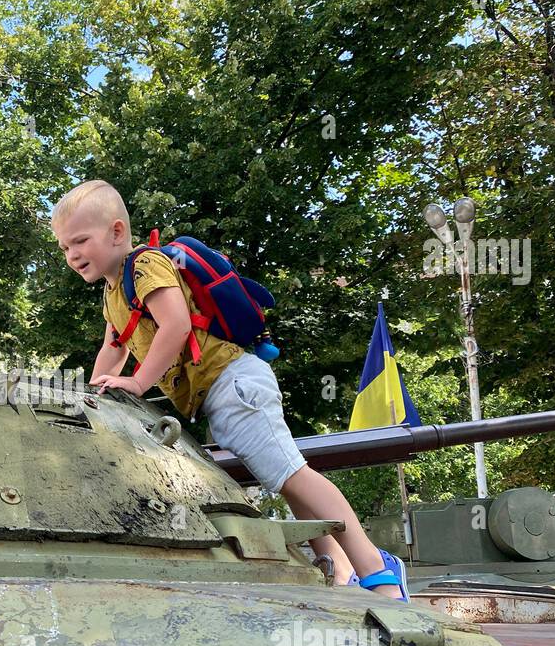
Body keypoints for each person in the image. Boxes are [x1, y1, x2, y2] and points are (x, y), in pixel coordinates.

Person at [51, 179, 408, 601]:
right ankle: (338, 566)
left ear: (115, 232)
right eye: (63, 247)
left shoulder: (144, 266)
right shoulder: (115, 293)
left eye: (79, 241)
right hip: (219, 393)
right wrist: (92, 396)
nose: (72, 254)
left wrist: (138, 382)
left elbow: (177, 325)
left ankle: (377, 568)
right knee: (286, 480)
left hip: (233, 382)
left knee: (294, 476)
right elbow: (113, 348)